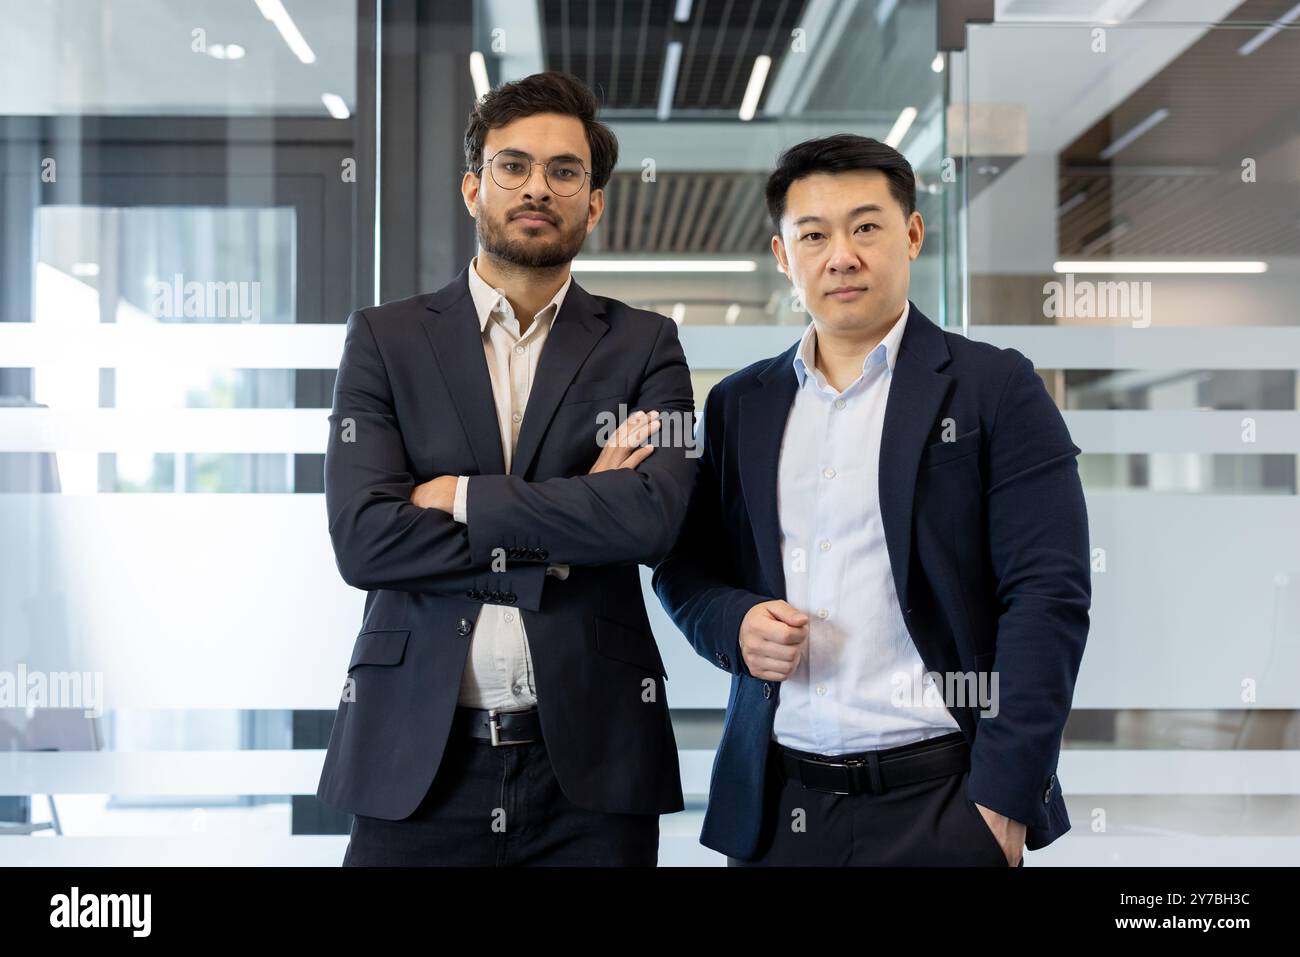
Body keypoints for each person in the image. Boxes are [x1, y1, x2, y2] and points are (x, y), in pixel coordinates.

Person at [652, 133, 1090, 866]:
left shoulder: (994, 388)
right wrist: (735, 622)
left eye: (866, 226)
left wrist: (1003, 802)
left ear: (912, 234)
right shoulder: (739, 405)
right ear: (783, 255)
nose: (842, 255)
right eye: (814, 235)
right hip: (777, 806)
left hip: (945, 804)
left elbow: (1048, 595)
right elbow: (684, 567)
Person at [317, 71, 695, 866]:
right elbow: (364, 542)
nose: (537, 187)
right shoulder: (385, 340)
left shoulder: (646, 345)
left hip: (591, 770)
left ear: (593, 203)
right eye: (512, 165)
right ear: (472, 187)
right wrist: (574, 518)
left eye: (565, 171)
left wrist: (456, 497)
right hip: (415, 765)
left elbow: (651, 518)